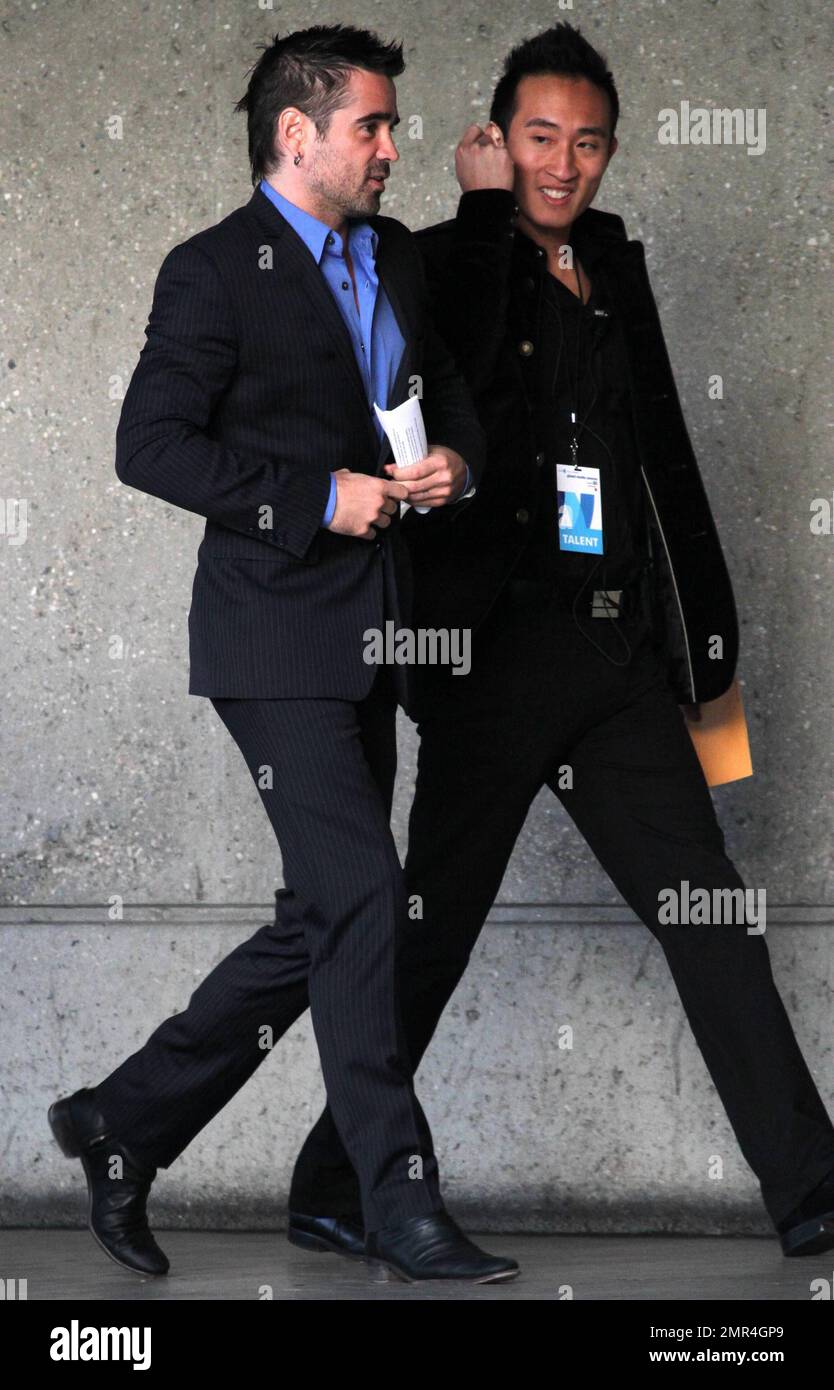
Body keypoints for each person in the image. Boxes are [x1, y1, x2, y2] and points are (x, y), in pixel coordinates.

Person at [287, 22, 834, 1260]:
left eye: (587, 143)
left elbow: (657, 462)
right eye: (539, 138)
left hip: (619, 661)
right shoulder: (428, 260)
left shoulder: (614, 270)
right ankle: (333, 1178)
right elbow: (442, 389)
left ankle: (809, 1183)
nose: (563, 164)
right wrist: (480, 221)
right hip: (490, 661)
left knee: (710, 913)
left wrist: (702, 639)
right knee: (429, 930)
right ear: (496, 140)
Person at [47, 24, 520, 1287]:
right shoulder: (211, 270)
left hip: (379, 633)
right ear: (295, 133)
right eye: (371, 124)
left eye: (390, 125)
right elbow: (150, 445)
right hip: (272, 634)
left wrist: (454, 464)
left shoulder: (399, 259)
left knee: (332, 909)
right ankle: (398, 1198)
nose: (390, 146)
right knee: (366, 893)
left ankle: (123, 1122)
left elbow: (454, 393)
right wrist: (317, 497)